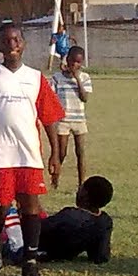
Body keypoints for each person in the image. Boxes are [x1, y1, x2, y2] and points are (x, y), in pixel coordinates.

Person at [0, 23, 65, 276]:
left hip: (29, 153)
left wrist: (55, 153)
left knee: (30, 206)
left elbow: (49, 118)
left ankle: (29, 262)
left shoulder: (36, 77)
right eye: (6, 41)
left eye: (16, 39)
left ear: (23, 43)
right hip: (0, 155)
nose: (12, 45)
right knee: (2, 206)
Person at [50, 46, 93, 189]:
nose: (75, 64)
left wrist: (77, 79)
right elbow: (52, 98)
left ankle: (81, 184)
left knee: (80, 152)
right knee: (61, 152)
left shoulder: (85, 77)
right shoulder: (57, 78)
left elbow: (84, 98)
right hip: (63, 120)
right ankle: (55, 178)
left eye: (78, 62)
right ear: (67, 60)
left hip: (79, 120)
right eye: (72, 61)